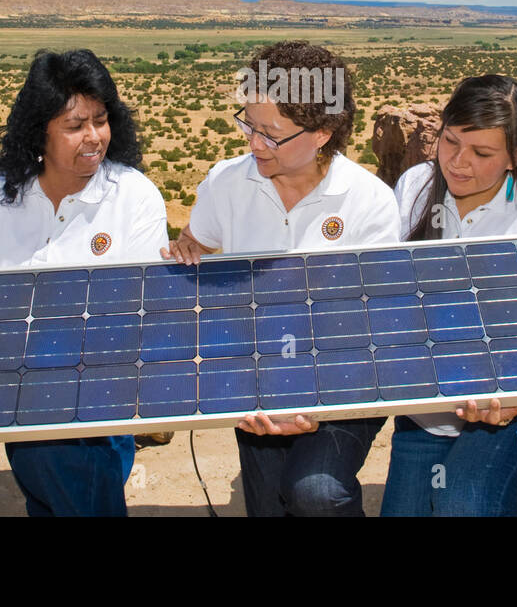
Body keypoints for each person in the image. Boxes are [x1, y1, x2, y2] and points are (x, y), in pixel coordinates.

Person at [165, 40, 400, 516]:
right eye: (249, 124)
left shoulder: (368, 202)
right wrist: (188, 248)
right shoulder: (226, 183)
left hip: (343, 378)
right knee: (271, 507)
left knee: (316, 492)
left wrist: (314, 408)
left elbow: (374, 323)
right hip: (257, 377)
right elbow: (198, 239)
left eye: (271, 134)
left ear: (322, 132)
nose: (253, 144)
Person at [0, 49, 168, 517]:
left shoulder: (132, 197)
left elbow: (140, 309)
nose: (93, 137)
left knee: (64, 470)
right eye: (75, 126)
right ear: (40, 131)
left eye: (101, 119)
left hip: (99, 389)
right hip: (18, 386)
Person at [380, 74, 517, 517]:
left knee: (463, 502)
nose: (458, 162)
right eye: (451, 142)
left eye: (482, 153)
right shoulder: (414, 186)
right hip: (428, 408)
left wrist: (512, 400)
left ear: (516, 157)